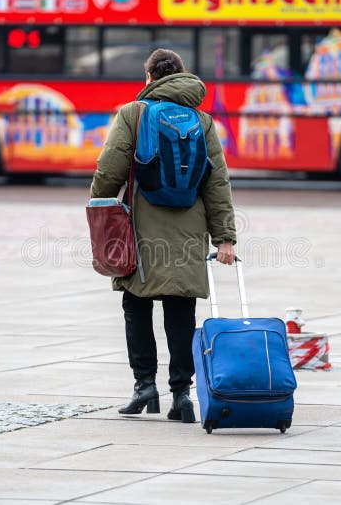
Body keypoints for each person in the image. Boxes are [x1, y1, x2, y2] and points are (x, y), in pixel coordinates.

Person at [90, 49, 237, 423]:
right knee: (180, 310)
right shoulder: (203, 122)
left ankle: (144, 387)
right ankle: (181, 395)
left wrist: (99, 203)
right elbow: (216, 182)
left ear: (150, 77)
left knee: (136, 306)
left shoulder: (133, 114)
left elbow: (110, 168)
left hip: (141, 226)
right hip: (189, 228)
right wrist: (225, 238)